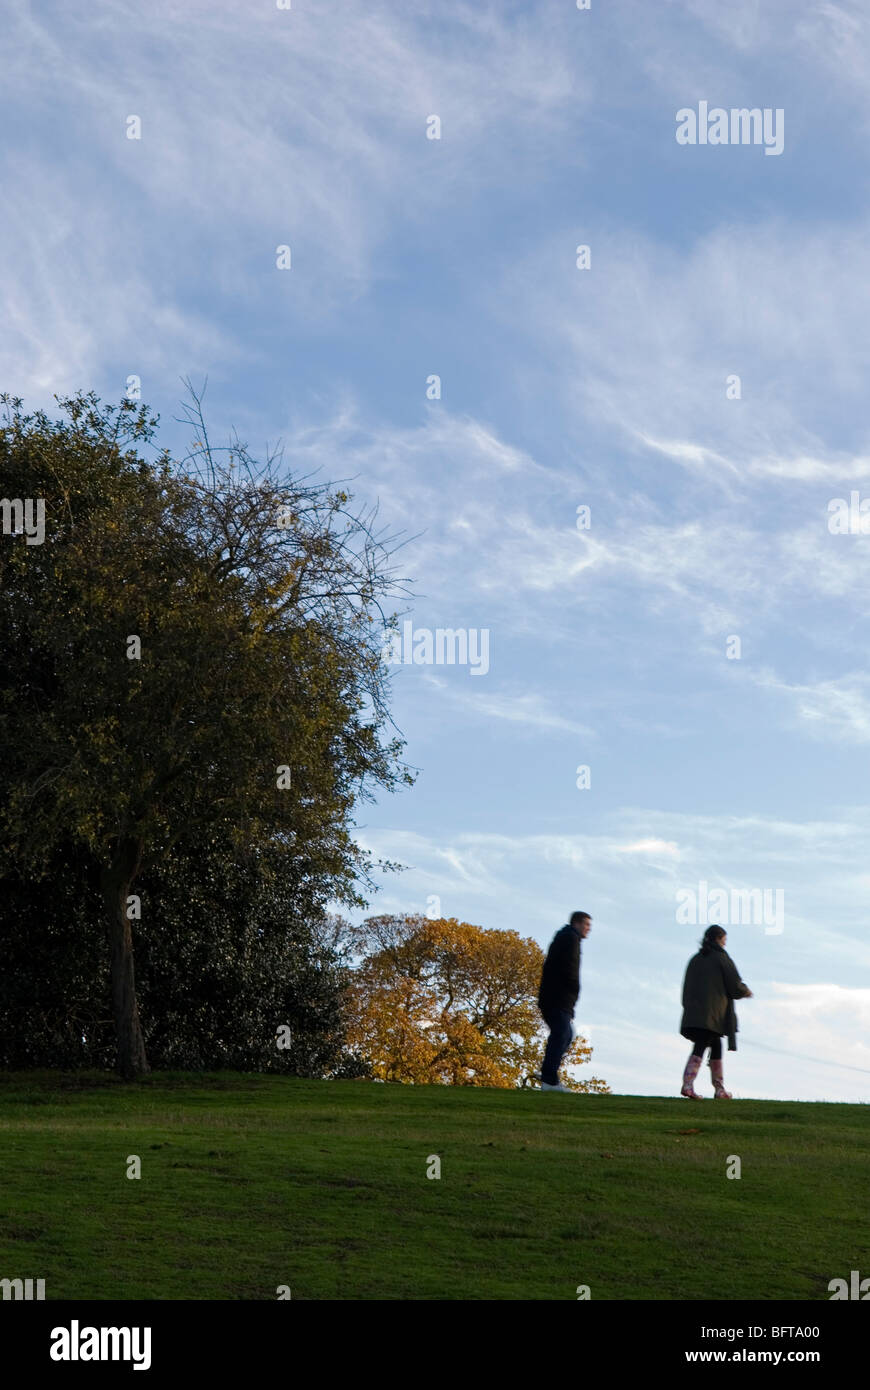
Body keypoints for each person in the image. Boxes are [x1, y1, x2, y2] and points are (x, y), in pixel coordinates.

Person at [680, 925, 753, 1099]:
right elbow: (734, 983)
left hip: (695, 1012)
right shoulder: (721, 958)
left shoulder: (695, 959)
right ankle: (688, 1085)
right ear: (719, 939)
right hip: (712, 1014)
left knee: (715, 1044)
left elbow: (686, 987)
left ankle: (719, 1089)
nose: (725, 944)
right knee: (702, 1044)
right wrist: (745, 991)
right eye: (724, 940)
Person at [537, 911, 591, 1092]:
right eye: (586, 925)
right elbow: (569, 971)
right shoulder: (570, 940)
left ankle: (548, 1073)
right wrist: (572, 994)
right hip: (558, 998)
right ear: (577, 923)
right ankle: (549, 1079)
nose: (588, 929)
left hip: (555, 997)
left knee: (566, 1034)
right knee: (562, 1033)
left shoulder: (565, 938)